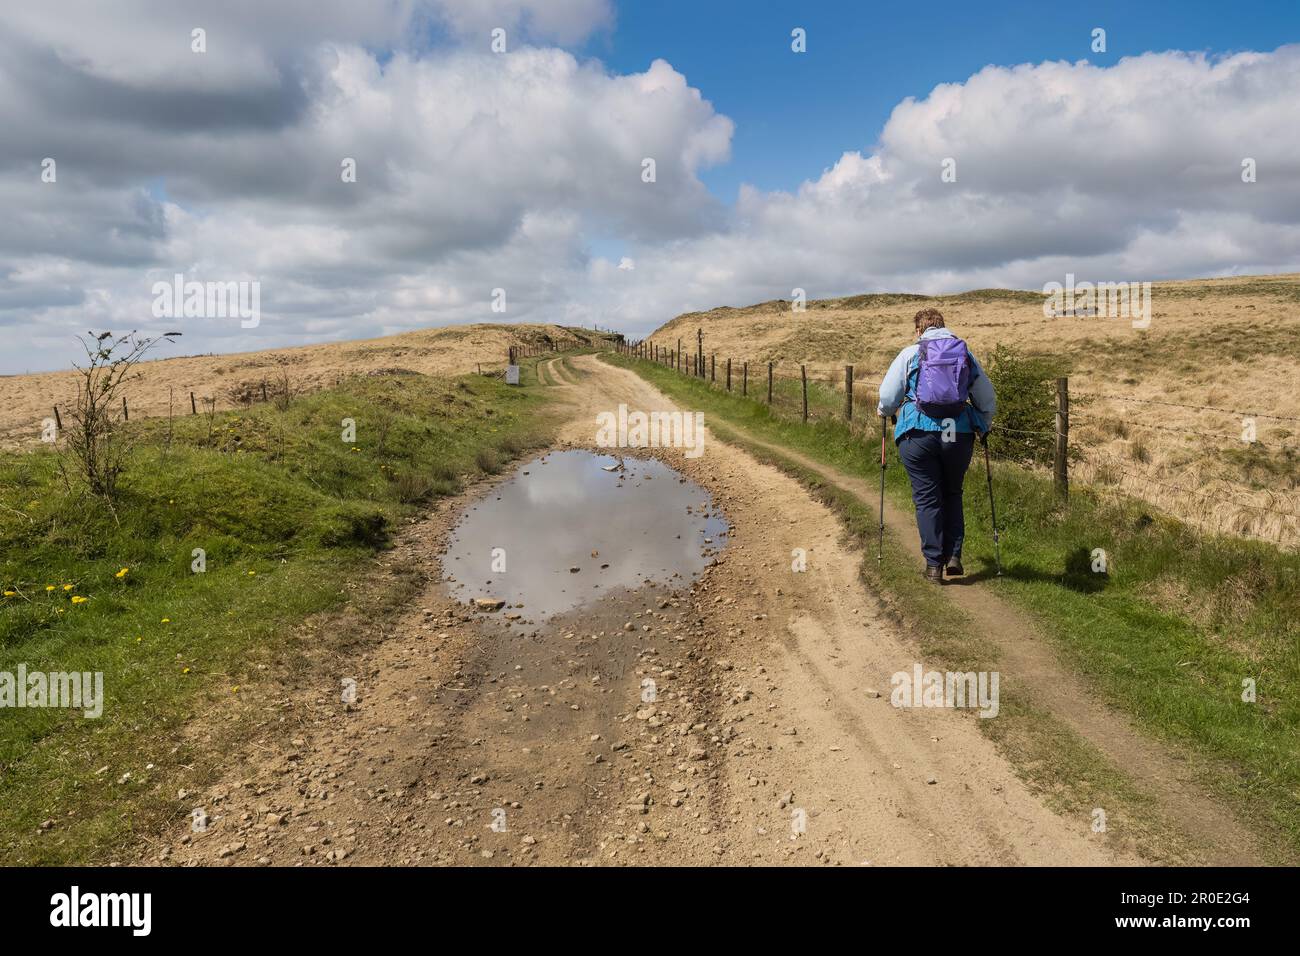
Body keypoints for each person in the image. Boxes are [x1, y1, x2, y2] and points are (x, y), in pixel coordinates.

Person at [877, 308, 996, 583]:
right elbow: (987, 398)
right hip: (957, 433)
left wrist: (884, 412)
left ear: (919, 330)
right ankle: (953, 556)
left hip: (917, 432)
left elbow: (887, 396)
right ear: (943, 326)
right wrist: (983, 424)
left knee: (927, 497)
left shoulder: (910, 353)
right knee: (953, 493)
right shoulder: (964, 354)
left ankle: (933, 565)